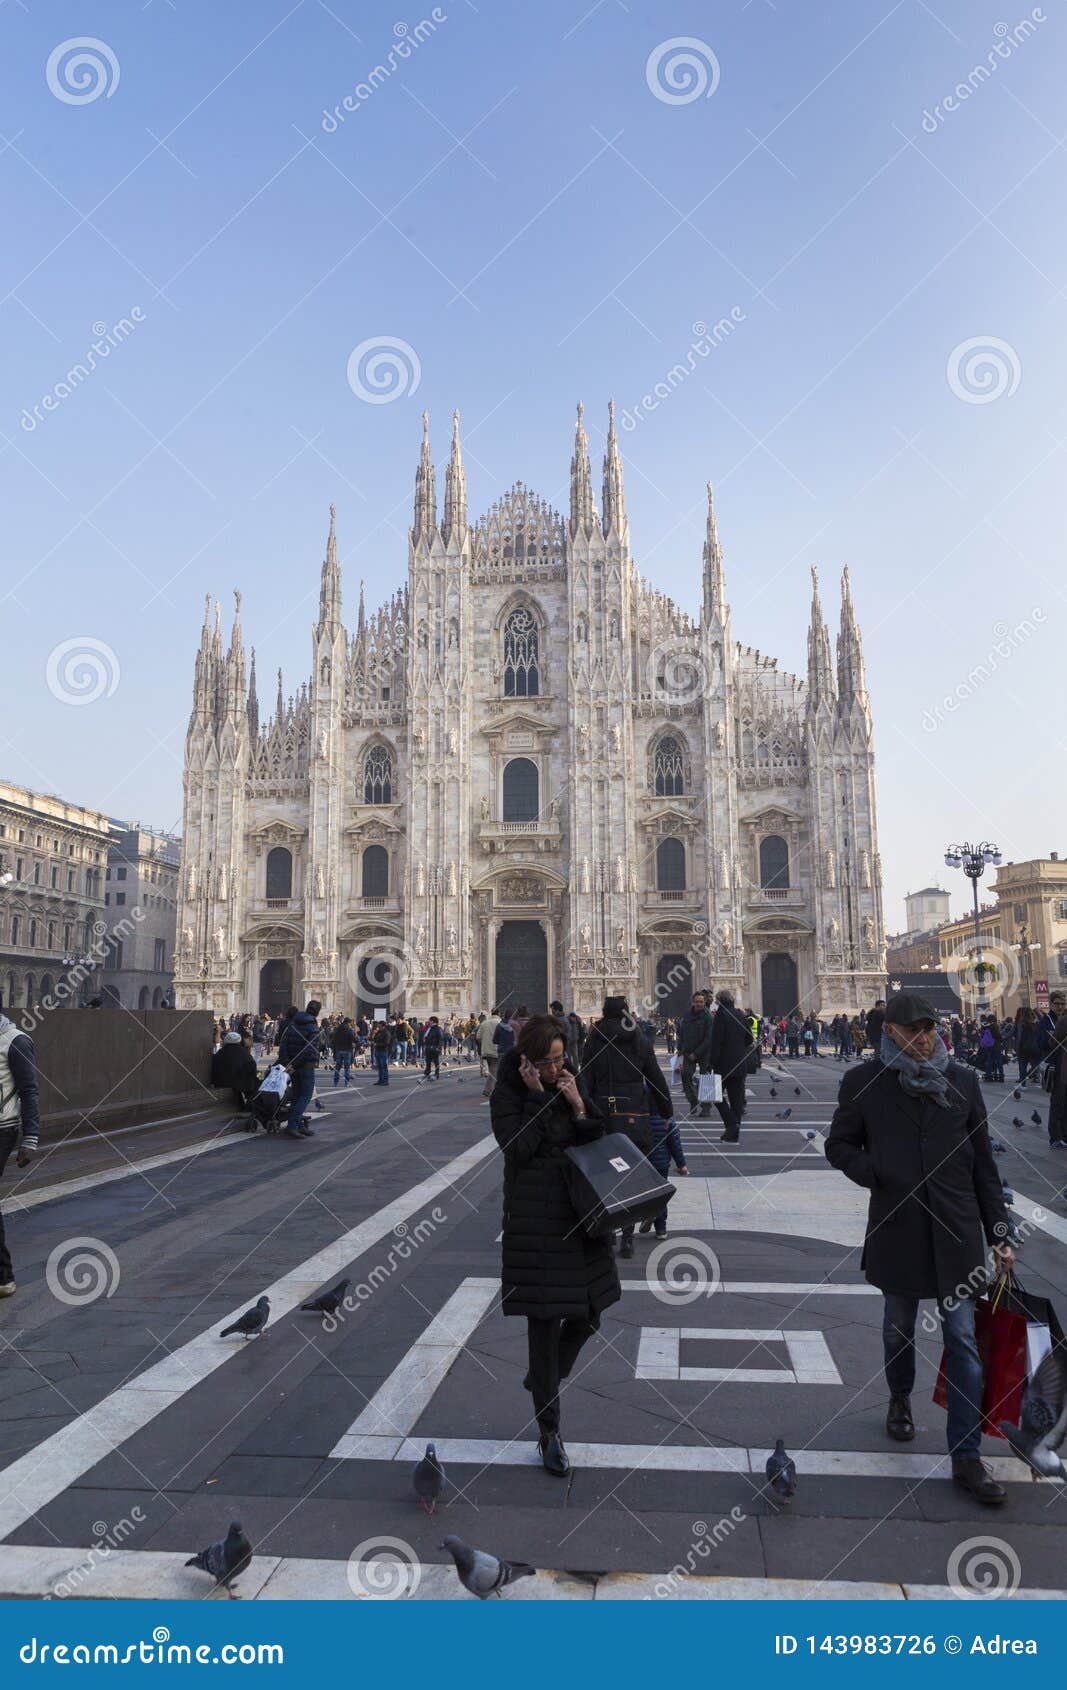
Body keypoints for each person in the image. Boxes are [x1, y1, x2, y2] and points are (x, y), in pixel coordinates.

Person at [825, 990, 1014, 1505]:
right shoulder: (863, 1084)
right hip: (899, 1226)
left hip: (957, 1231)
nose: (926, 1037)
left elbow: (983, 1164)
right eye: (915, 1029)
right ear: (891, 1032)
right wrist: (879, 1175)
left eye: (930, 1028)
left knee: (963, 1342)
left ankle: (967, 1456)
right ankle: (900, 1399)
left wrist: (999, 1233)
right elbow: (838, 1145)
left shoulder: (963, 1081)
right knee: (898, 1330)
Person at [490, 1014, 619, 1477]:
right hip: (537, 1225)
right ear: (527, 1061)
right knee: (543, 1327)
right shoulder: (508, 1093)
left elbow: (595, 1139)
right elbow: (518, 1148)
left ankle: (541, 1378)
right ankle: (549, 1433)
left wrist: (579, 1105)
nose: (556, 1067)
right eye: (547, 1062)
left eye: (561, 1059)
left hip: (581, 1219)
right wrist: (538, 1099)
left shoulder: (568, 1081)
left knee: (591, 1312)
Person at [580, 996, 672, 1258]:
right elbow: (654, 1076)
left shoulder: (595, 1037)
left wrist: (582, 1107)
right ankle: (628, 1238)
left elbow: (585, 1075)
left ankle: (608, 1232)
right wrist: (666, 1111)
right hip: (634, 1114)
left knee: (604, 1174)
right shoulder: (638, 1038)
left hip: (602, 1113)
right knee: (630, 1175)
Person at [0, 1001, 40, 1296]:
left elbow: (29, 1091)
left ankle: (4, 1276)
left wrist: (30, 1138)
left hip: (3, 1129)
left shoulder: (16, 1041)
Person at [639, 1082, 688, 1239]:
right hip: (661, 1164)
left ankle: (647, 1213)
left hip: (644, 1163)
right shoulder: (667, 1122)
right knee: (661, 1194)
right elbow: (675, 1146)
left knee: (644, 1192)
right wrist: (681, 1165)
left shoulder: (640, 1120)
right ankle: (661, 1229)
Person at [708, 987, 753, 1144]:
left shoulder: (721, 1015)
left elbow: (716, 1041)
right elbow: (749, 1038)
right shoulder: (740, 1014)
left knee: (715, 1095)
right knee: (736, 1101)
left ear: (719, 1001)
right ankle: (733, 1134)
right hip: (739, 1064)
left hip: (723, 1065)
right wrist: (738, 1048)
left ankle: (731, 1124)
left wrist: (711, 1062)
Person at [278, 1001, 321, 1137]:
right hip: (305, 1066)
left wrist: (287, 1063)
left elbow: (283, 1044)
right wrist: (295, 1064)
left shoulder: (293, 1025)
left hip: (293, 1066)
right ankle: (292, 1125)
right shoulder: (313, 1027)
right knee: (305, 1095)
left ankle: (299, 1125)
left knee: (296, 1095)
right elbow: (309, 1050)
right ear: (317, 1012)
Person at [676, 991, 713, 1118]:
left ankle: (706, 1107)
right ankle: (693, 1100)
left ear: (704, 1002)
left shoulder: (708, 1017)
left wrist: (697, 1053)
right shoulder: (687, 1015)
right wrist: (680, 1048)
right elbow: (681, 1032)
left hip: (704, 1053)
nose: (699, 1004)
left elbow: (709, 1038)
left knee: (705, 1080)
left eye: (701, 1002)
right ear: (693, 1002)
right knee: (685, 1075)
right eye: (697, 1001)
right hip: (688, 1051)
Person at [211, 1029, 259, 1109]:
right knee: (254, 1078)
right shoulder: (244, 1053)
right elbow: (253, 1069)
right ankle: (250, 1103)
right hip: (237, 1084)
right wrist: (259, 1076)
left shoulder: (220, 1052)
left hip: (220, 1082)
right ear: (239, 1040)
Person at [479, 1008, 502, 1097]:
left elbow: (478, 1036)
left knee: (492, 1069)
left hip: (486, 1051)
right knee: (494, 1070)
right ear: (499, 1013)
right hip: (497, 1050)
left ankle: (493, 1089)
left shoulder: (484, 1023)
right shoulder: (501, 1023)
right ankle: (488, 1090)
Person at [331, 1016, 356, 1087]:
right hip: (347, 1050)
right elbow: (354, 1039)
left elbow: (333, 1039)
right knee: (347, 1067)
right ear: (348, 1023)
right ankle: (346, 1083)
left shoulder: (338, 1029)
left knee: (337, 1067)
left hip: (339, 1050)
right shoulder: (349, 1030)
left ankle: (335, 1082)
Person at [370, 1018, 392, 1085]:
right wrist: (373, 1036)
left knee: (384, 1066)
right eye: (378, 1027)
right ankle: (380, 1080)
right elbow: (374, 1039)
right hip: (377, 1050)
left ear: (383, 1026)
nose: (378, 1028)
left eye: (379, 1026)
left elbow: (387, 1043)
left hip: (383, 1051)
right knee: (379, 1067)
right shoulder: (379, 1032)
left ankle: (385, 1081)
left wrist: (377, 1044)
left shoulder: (386, 1033)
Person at [422, 1015, 443, 1080]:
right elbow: (426, 1036)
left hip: (434, 1047)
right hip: (428, 1047)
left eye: (430, 1021)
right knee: (428, 1061)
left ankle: (436, 1074)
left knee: (436, 1061)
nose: (428, 1022)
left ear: (434, 1022)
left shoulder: (438, 1029)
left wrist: (438, 1047)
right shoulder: (429, 1028)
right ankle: (427, 1073)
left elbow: (440, 1039)